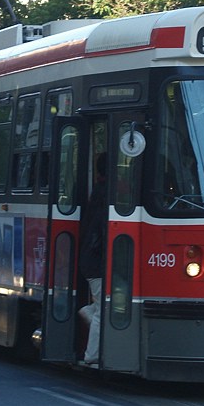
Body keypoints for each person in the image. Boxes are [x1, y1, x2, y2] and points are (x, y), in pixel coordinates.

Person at [78, 152, 108, 366]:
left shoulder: (98, 192)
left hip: (91, 261)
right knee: (104, 310)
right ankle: (92, 356)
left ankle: (86, 310)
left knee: (101, 307)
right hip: (96, 263)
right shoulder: (107, 194)